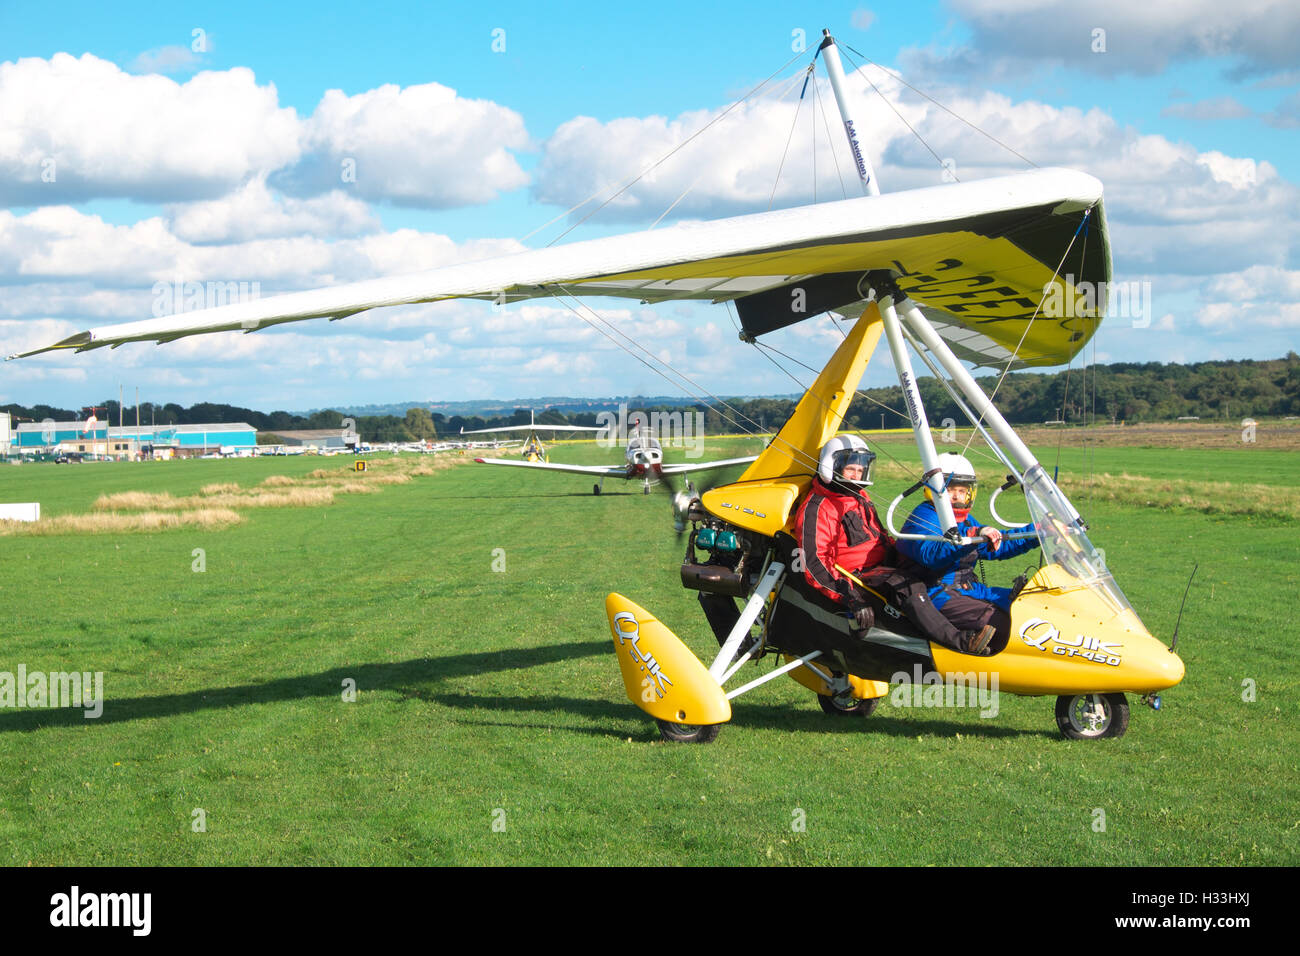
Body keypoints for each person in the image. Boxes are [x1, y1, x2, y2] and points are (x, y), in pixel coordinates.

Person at [792, 436, 996, 655]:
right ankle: (961, 642)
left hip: (881, 565)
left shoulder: (858, 495)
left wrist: (904, 551)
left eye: (860, 470)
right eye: (851, 469)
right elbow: (814, 564)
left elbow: (878, 536)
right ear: (829, 467)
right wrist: (850, 597)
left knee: (926, 563)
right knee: (907, 585)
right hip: (856, 577)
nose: (856, 475)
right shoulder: (818, 507)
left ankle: (969, 610)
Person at [897, 453, 1039, 647]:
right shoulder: (924, 516)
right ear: (933, 490)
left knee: (1026, 608)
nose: (956, 496)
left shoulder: (964, 520)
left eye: (962, 490)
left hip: (968, 589)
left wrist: (1036, 533)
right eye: (949, 489)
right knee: (1006, 626)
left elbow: (996, 546)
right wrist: (973, 535)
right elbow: (931, 554)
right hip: (935, 592)